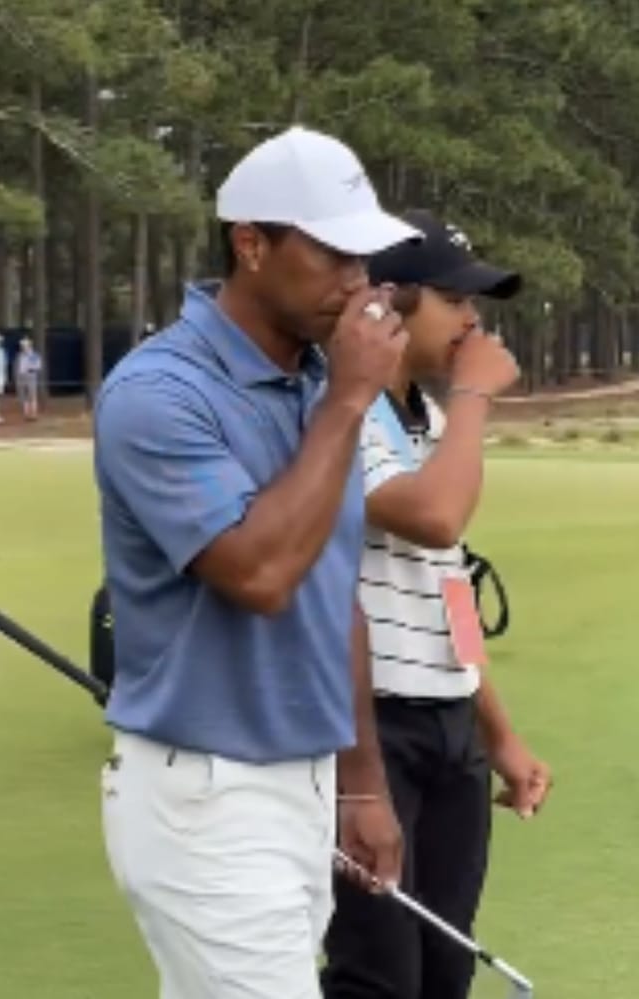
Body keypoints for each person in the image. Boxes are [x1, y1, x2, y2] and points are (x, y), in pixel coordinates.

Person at [93, 125, 421, 999]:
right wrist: (350, 399)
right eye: (333, 255)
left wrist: (361, 784)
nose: (357, 280)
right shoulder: (158, 391)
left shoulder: (316, 383)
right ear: (251, 244)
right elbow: (261, 575)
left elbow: (333, 594)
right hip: (207, 796)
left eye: (364, 257)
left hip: (303, 783)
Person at [322, 210, 553, 999]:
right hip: (370, 727)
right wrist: (478, 391)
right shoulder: (338, 409)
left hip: (450, 729)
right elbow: (435, 516)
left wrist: (499, 732)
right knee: (379, 973)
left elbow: (449, 581)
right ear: (390, 299)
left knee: (445, 967)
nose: (471, 321)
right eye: (455, 300)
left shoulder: (430, 417)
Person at [14, 337, 42, 420]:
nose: (23, 347)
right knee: (23, 396)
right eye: (23, 346)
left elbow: (37, 366)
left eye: (25, 345)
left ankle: (33, 414)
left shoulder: (34, 355)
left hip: (30, 376)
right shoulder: (19, 356)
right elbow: (17, 366)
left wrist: (29, 369)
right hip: (20, 377)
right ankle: (26, 413)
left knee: (32, 396)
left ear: (29, 345)